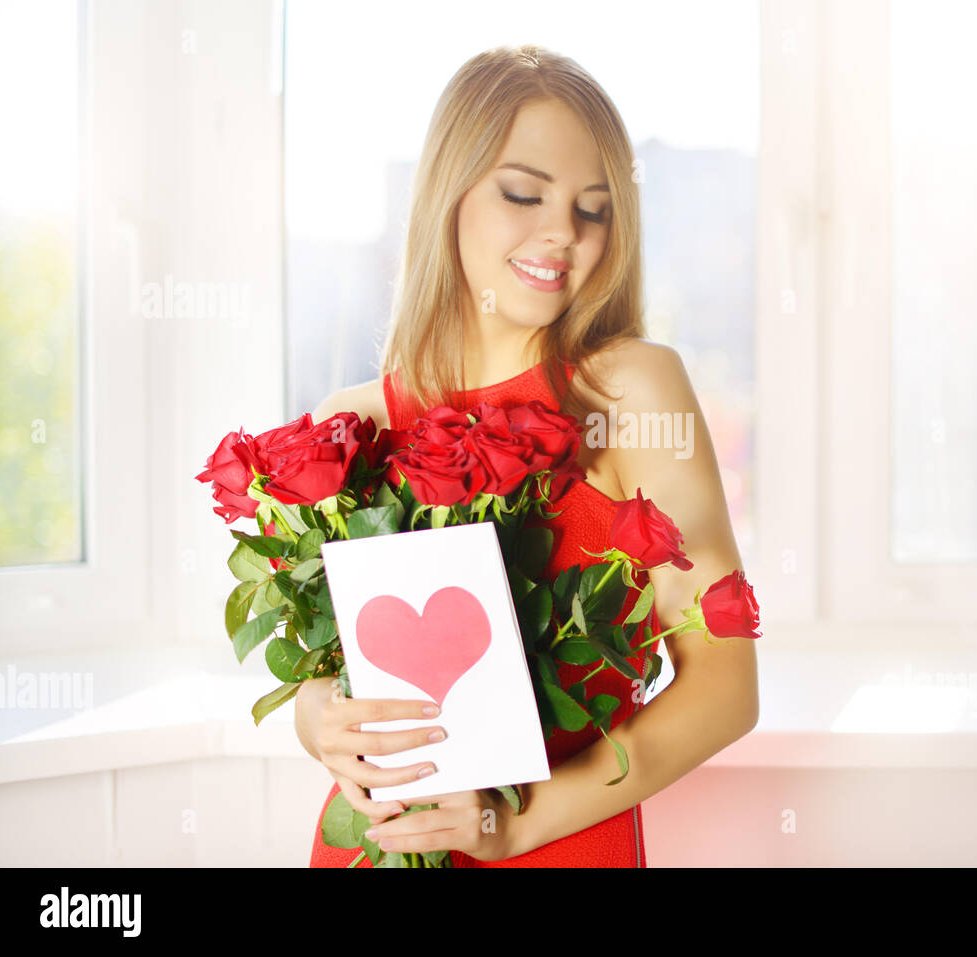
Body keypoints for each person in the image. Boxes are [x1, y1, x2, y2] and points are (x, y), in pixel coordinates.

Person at [299, 44, 758, 867]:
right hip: (376, 846)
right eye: (524, 193)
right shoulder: (347, 426)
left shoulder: (632, 392)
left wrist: (511, 823)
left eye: (595, 207)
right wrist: (319, 721)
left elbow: (727, 688)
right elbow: (325, 670)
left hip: (558, 847)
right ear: (450, 194)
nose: (564, 233)